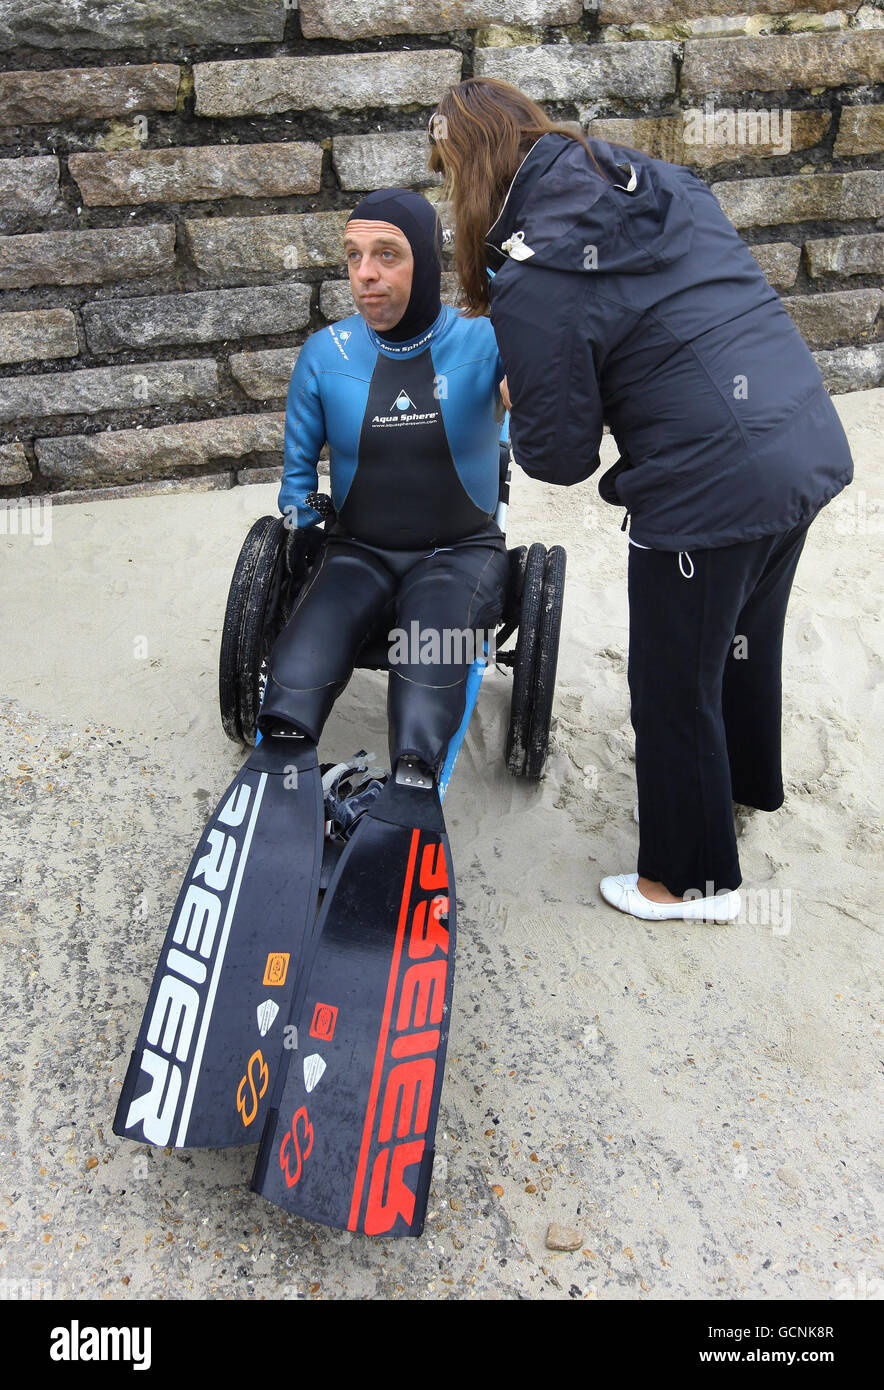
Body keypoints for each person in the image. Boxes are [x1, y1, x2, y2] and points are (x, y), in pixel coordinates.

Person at [427, 77, 854, 921]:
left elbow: (558, 458)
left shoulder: (533, 271)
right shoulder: (657, 180)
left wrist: (526, 392)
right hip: (803, 439)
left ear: (471, 174)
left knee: (672, 678)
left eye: (446, 174)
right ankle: (746, 791)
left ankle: (690, 882)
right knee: (742, 637)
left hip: (709, 485)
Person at [258, 187, 510, 784]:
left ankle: (410, 795)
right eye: (352, 256)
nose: (365, 275)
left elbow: (552, 403)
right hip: (357, 552)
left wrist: (531, 386)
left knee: (420, 721)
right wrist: (298, 525)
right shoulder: (325, 353)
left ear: (427, 260)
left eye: (387, 254)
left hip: (459, 554)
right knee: (288, 696)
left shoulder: (489, 343)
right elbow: (298, 471)